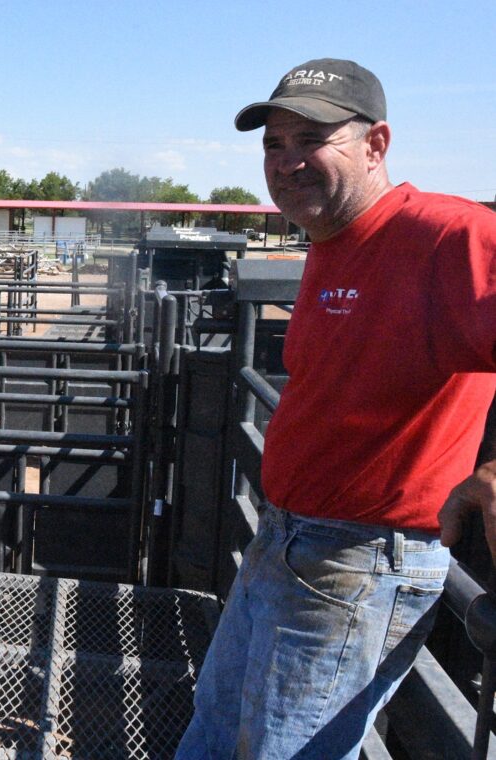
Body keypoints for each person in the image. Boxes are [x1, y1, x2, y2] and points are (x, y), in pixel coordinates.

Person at [176, 58, 496, 758]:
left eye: (310, 140)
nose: (286, 162)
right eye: (272, 144)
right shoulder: (331, 240)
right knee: (214, 730)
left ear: (375, 144)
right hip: (288, 540)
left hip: (359, 558)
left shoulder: (447, 236)